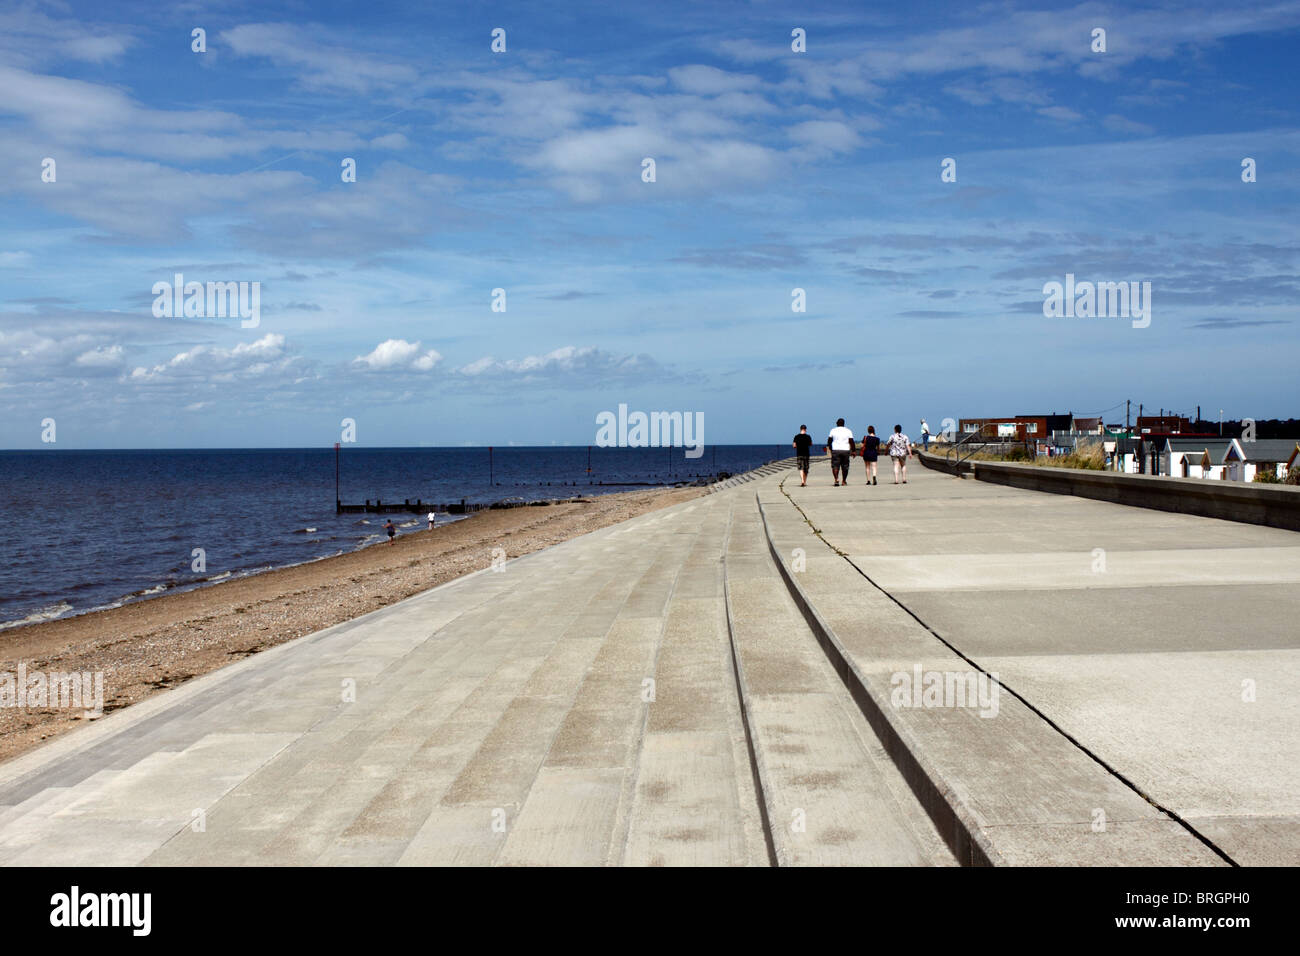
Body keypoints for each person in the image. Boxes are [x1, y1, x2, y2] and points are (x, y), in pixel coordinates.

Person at [826, 418, 855, 486]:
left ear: (837, 423)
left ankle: (836, 480)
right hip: (845, 450)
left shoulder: (833, 430)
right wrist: (853, 451)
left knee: (835, 466)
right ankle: (844, 481)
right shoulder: (848, 431)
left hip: (836, 450)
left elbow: (829, 440)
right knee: (845, 466)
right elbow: (851, 441)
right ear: (844, 423)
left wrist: (830, 448)